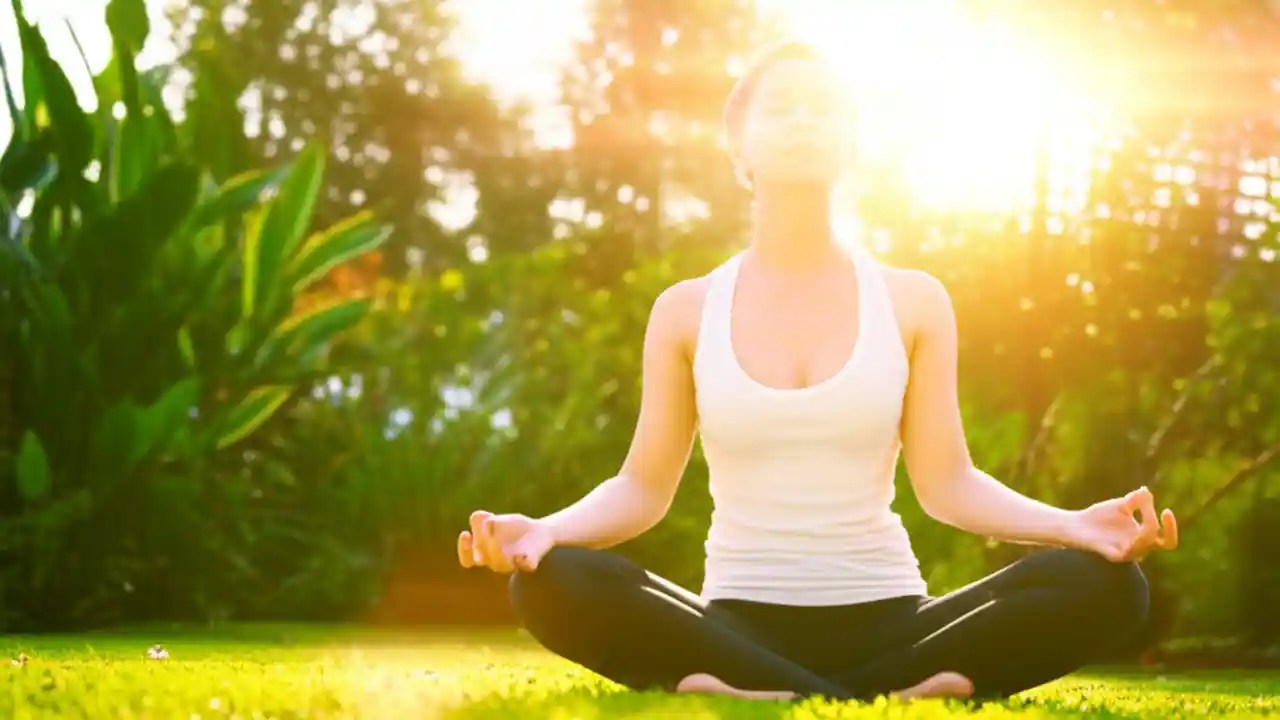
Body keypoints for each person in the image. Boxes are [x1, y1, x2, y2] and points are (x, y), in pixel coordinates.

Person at [456, 39, 1180, 704]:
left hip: (895, 619)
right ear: (739, 144)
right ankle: (901, 693)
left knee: (1108, 586)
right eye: (781, 107)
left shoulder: (913, 301)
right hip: (735, 622)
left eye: (824, 108)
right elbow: (641, 490)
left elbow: (947, 484)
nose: (804, 122)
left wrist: (1074, 527)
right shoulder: (686, 310)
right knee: (551, 583)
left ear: (852, 143)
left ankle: (755, 692)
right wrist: (544, 532)